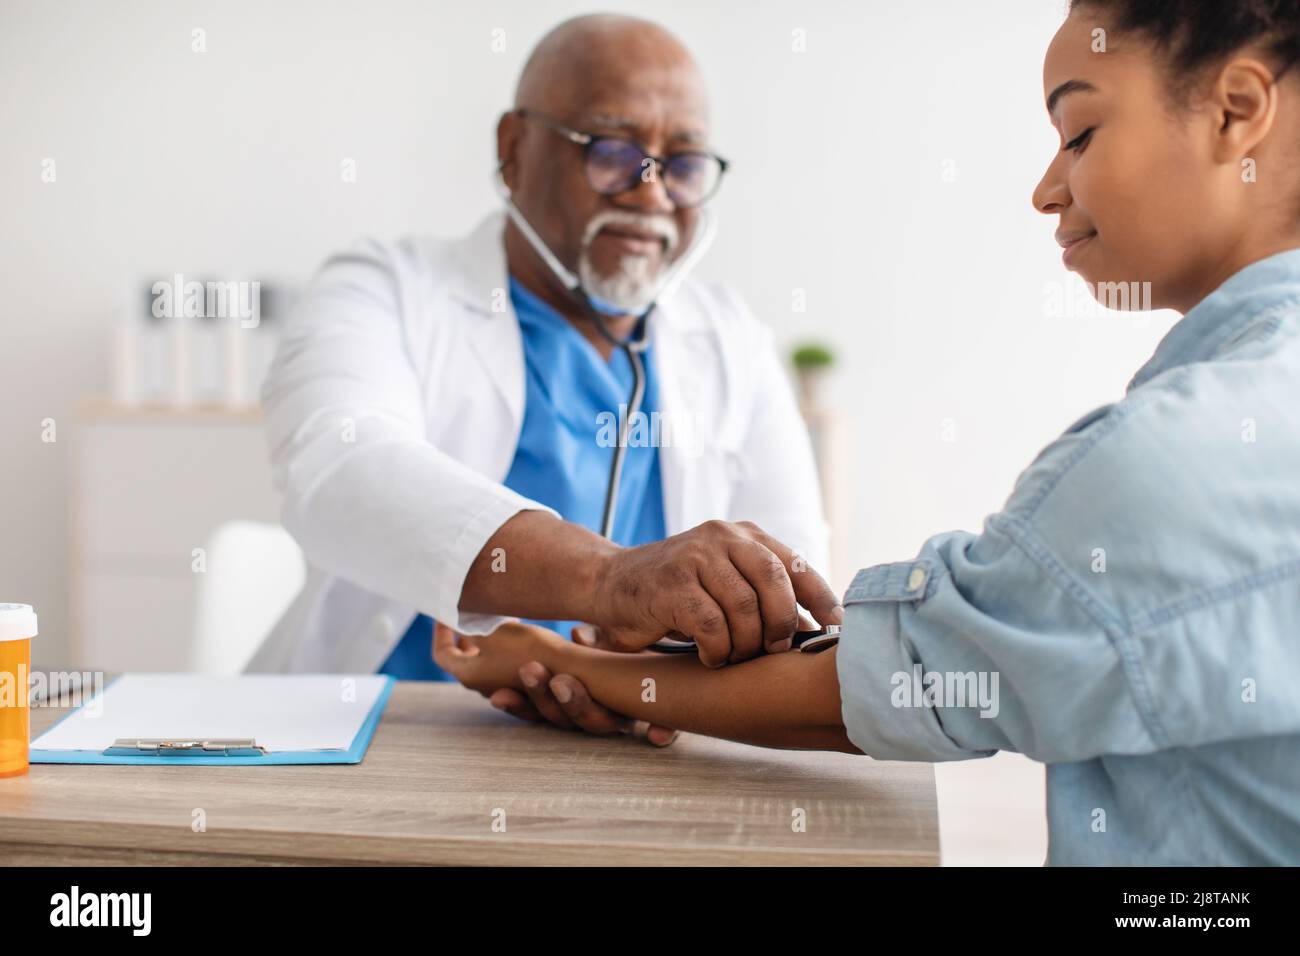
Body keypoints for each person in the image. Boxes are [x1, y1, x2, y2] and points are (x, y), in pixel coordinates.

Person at [437, 0, 1300, 865]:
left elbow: (885, 677)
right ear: (513, 151)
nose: (1046, 189)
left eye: (1079, 134)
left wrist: (558, 659)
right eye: (611, 150)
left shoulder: (1179, 455)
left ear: (1235, 110)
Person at [247, 14, 843, 745]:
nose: (652, 192)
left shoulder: (733, 343)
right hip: (379, 735)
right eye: (613, 151)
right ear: (513, 150)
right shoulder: (384, 287)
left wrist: (637, 682)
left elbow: (786, 591)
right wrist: (611, 582)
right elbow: (341, 470)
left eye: (683, 164)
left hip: (643, 759)